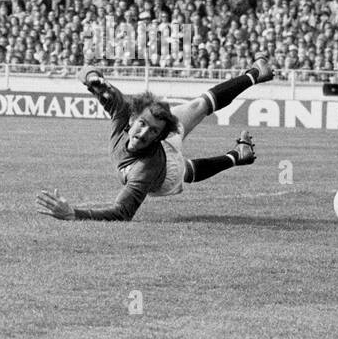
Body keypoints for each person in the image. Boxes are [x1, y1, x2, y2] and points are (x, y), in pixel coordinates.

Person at [35, 57, 275, 222]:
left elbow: (122, 213)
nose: (143, 133)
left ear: (161, 136)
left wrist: (73, 213)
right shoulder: (123, 114)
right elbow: (86, 73)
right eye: (142, 124)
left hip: (166, 173)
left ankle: (255, 74)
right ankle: (236, 156)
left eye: (153, 131)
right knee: (191, 151)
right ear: (132, 119)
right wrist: (94, 78)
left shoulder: (146, 167)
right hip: (160, 165)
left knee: (190, 138)